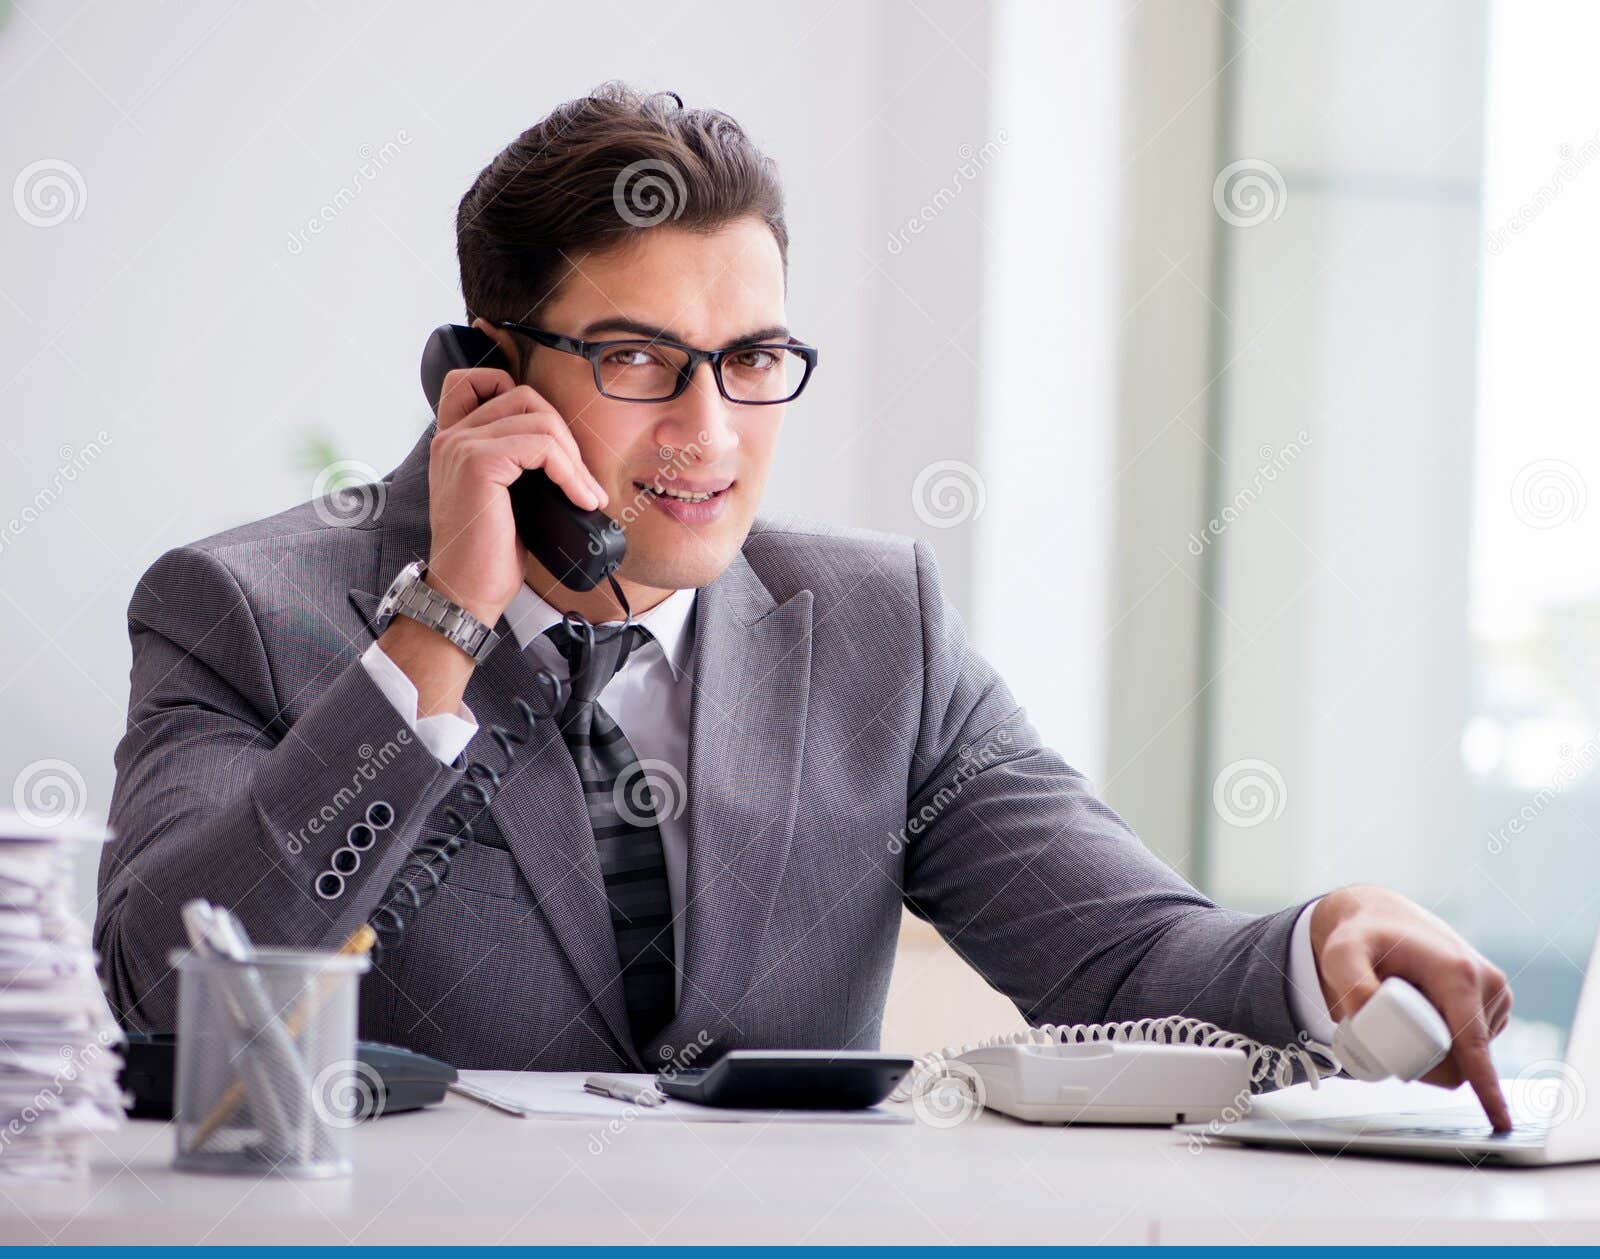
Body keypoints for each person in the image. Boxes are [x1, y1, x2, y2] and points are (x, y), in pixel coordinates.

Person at [94, 82, 1512, 1128]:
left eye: (754, 358)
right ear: (486, 374)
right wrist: (442, 635)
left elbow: (1122, 956)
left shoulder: (876, 629)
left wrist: (1322, 947)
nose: (710, 431)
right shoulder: (249, 613)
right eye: (639, 359)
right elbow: (167, 995)